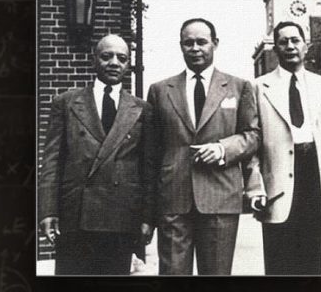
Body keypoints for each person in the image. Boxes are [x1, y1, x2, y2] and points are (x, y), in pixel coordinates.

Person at [147, 18, 259, 275]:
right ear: (181, 47)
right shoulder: (160, 90)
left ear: (215, 44)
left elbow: (252, 135)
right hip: (174, 198)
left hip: (220, 197)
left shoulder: (238, 87)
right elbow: (151, 152)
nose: (195, 48)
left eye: (201, 42)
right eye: (188, 43)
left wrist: (223, 149)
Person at [39, 34, 154, 275]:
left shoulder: (142, 109)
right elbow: (51, 162)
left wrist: (147, 218)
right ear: (94, 60)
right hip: (76, 214)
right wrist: (48, 210)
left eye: (121, 58)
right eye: (106, 56)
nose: (114, 62)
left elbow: (148, 170)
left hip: (121, 217)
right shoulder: (67, 102)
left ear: (128, 64)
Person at [245, 21, 321, 275]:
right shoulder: (258, 87)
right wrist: (255, 187)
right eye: (283, 41)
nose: (290, 46)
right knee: (279, 262)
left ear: (307, 46)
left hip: (315, 179)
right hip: (276, 187)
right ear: (276, 48)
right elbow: (252, 143)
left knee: (311, 260)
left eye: (295, 40)